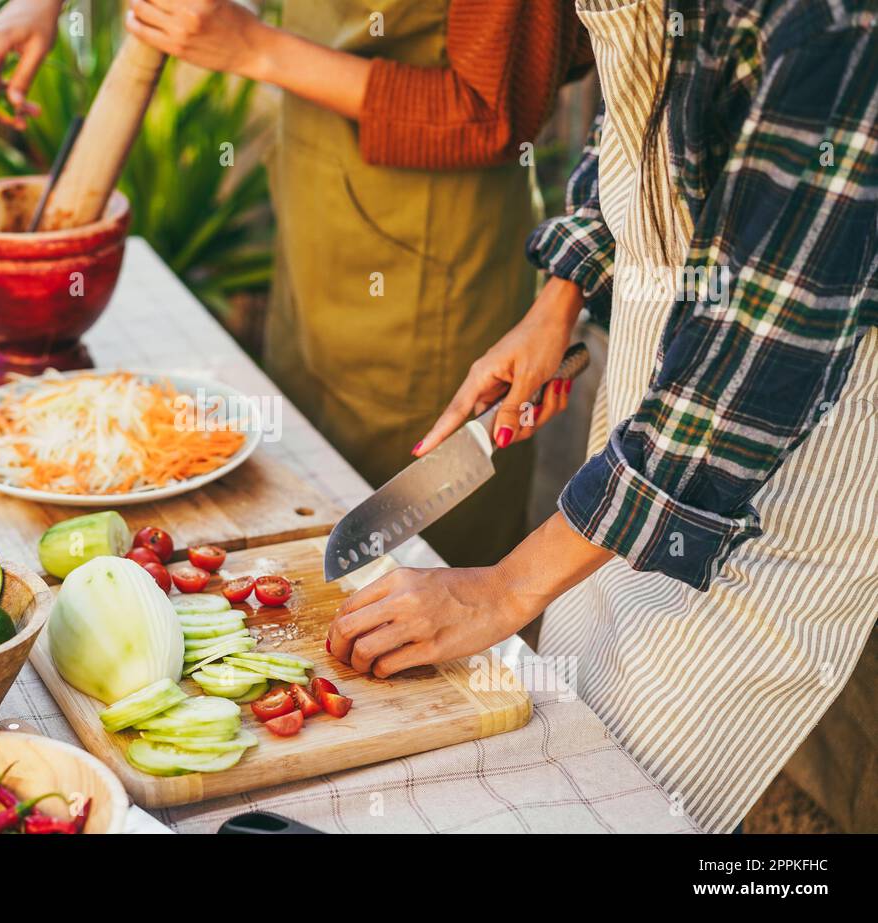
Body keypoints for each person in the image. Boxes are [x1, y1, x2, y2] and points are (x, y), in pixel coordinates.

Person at [328, 0, 878, 833]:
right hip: (663, 389)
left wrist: (504, 588)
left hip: (787, 440)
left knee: (646, 789)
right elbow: (636, 104)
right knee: (573, 713)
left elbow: (754, 361)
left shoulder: (837, 25)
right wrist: (562, 295)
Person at [0, 0, 592, 568]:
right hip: (324, 218)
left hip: (430, 267)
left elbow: (491, 115)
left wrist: (255, 49)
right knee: (307, 500)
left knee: (420, 562)